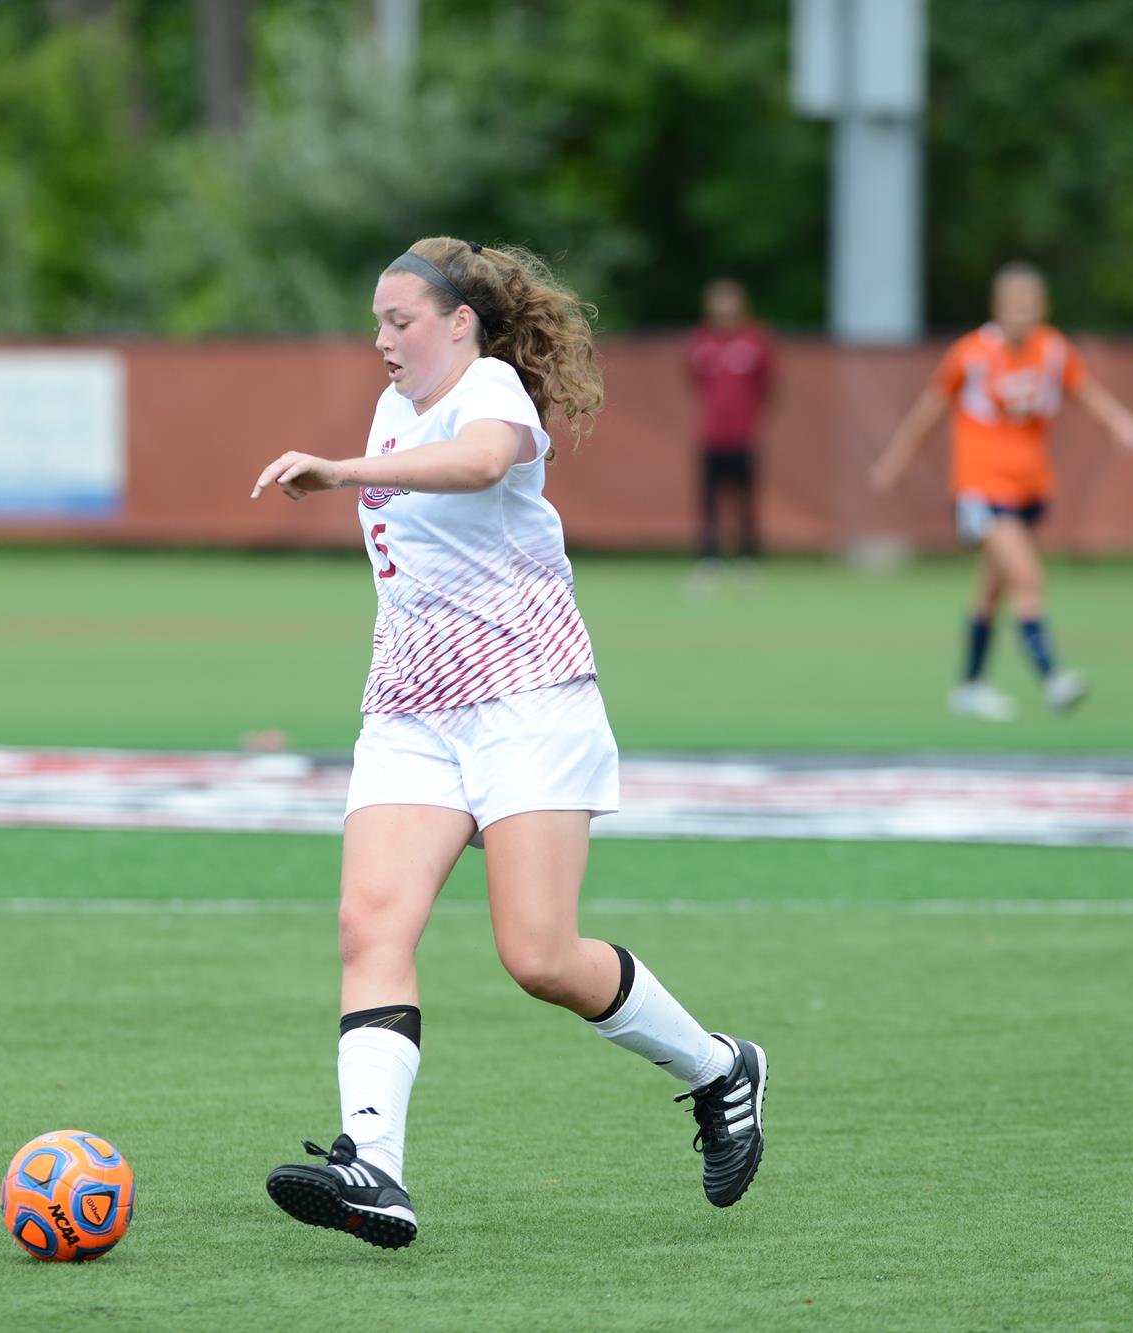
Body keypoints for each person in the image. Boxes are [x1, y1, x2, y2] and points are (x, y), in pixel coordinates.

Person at [249, 237, 767, 1250]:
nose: (381, 338)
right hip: (408, 708)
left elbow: (484, 460)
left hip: (525, 699)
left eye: (398, 319)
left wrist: (340, 471)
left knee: (536, 954)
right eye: (375, 321)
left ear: (459, 322)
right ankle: (373, 1167)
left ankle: (717, 1069)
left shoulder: (489, 388)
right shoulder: (394, 407)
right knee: (371, 927)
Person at [870, 262, 1133, 720]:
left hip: (1030, 488)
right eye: (1013, 303)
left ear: (1043, 306)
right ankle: (1053, 677)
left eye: (1030, 303)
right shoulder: (972, 354)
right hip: (981, 488)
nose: (1022, 311)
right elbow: (929, 411)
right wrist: (895, 462)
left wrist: (1120, 422)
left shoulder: (1053, 351)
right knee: (1027, 579)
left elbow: (1086, 391)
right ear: (997, 307)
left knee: (991, 591)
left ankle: (970, 687)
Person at [687, 278, 776, 570]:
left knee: (746, 499)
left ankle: (749, 557)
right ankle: (709, 558)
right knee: (709, 500)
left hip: (744, 436)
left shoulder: (754, 340)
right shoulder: (702, 342)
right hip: (712, 436)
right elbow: (695, 380)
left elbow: (767, 385)